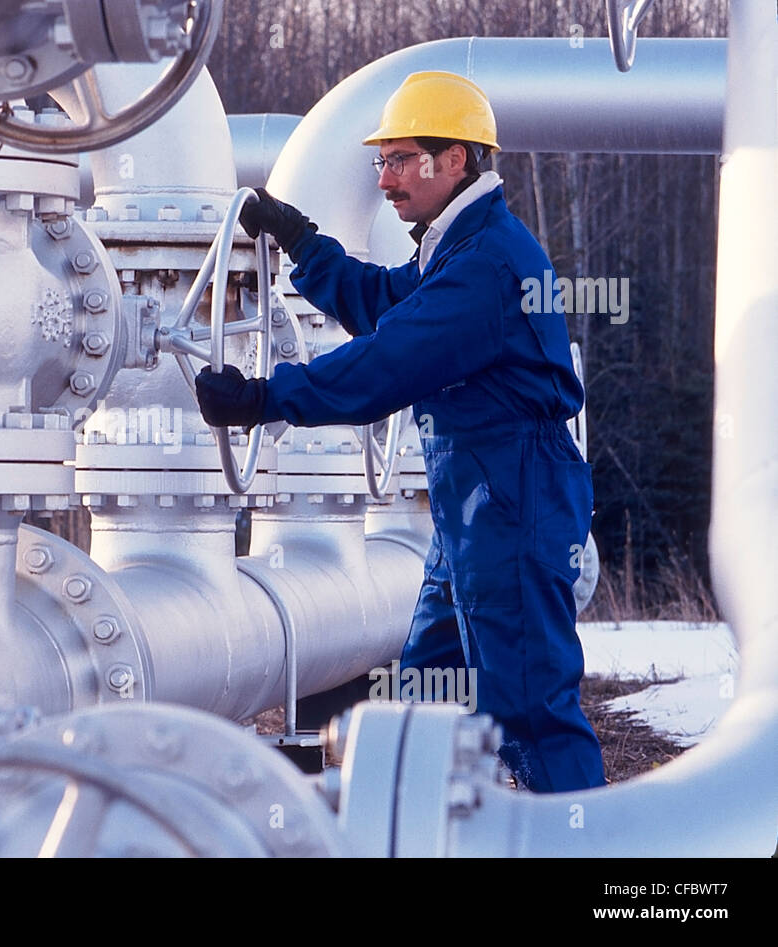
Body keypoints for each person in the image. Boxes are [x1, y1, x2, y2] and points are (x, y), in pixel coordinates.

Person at [196, 71, 606, 792]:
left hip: (510, 500)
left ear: (455, 160)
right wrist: (303, 243)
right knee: (422, 701)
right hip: (476, 505)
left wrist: (266, 396)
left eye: (398, 159)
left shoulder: (487, 265)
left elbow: (388, 363)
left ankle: (585, 846)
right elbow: (388, 303)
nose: (382, 178)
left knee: (530, 714)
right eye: (377, 161)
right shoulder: (457, 246)